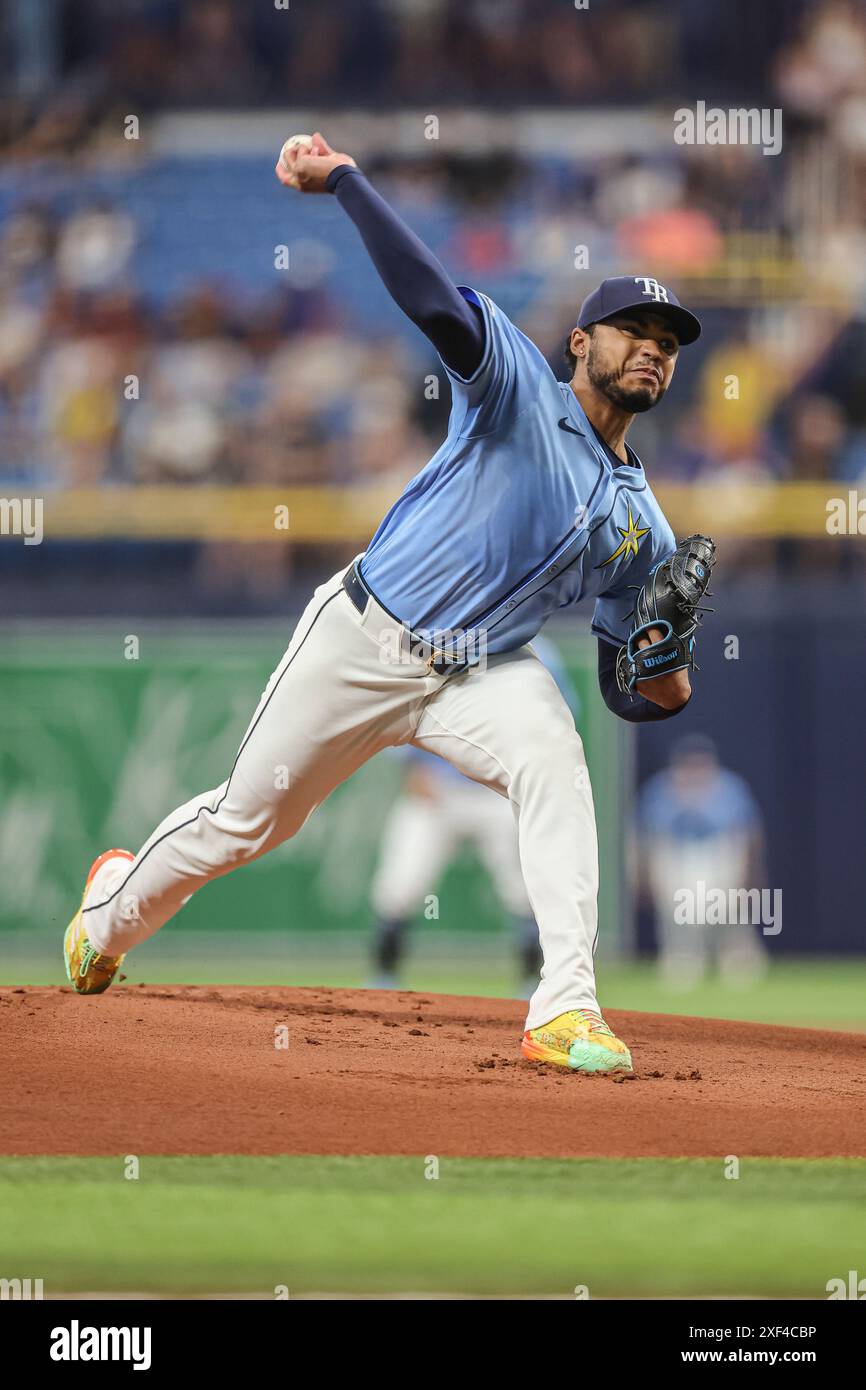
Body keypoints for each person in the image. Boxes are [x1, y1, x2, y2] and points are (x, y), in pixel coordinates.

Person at [64, 131, 710, 1076]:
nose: (653, 350)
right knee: (247, 824)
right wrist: (348, 183)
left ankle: (563, 1009)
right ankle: (108, 915)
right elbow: (433, 301)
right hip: (368, 636)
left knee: (557, 763)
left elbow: (636, 691)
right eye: (634, 333)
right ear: (582, 343)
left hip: (483, 670)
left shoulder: (646, 527)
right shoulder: (518, 389)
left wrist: (665, 653)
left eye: (668, 344)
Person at [369, 637, 577, 998]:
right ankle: (383, 978)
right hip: (436, 789)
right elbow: (397, 703)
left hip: (495, 791)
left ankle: (534, 984)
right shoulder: (436, 636)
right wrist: (409, 769)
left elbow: (558, 716)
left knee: (524, 890)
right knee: (400, 884)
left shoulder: (540, 650)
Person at [636, 735, 769, 987]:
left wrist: (753, 873)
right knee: (678, 912)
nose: (694, 771)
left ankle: (738, 957)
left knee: (728, 910)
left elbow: (747, 834)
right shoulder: (660, 789)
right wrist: (642, 875)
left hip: (718, 854)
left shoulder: (729, 787)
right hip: (678, 857)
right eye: (689, 765)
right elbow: (648, 838)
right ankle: (682, 958)